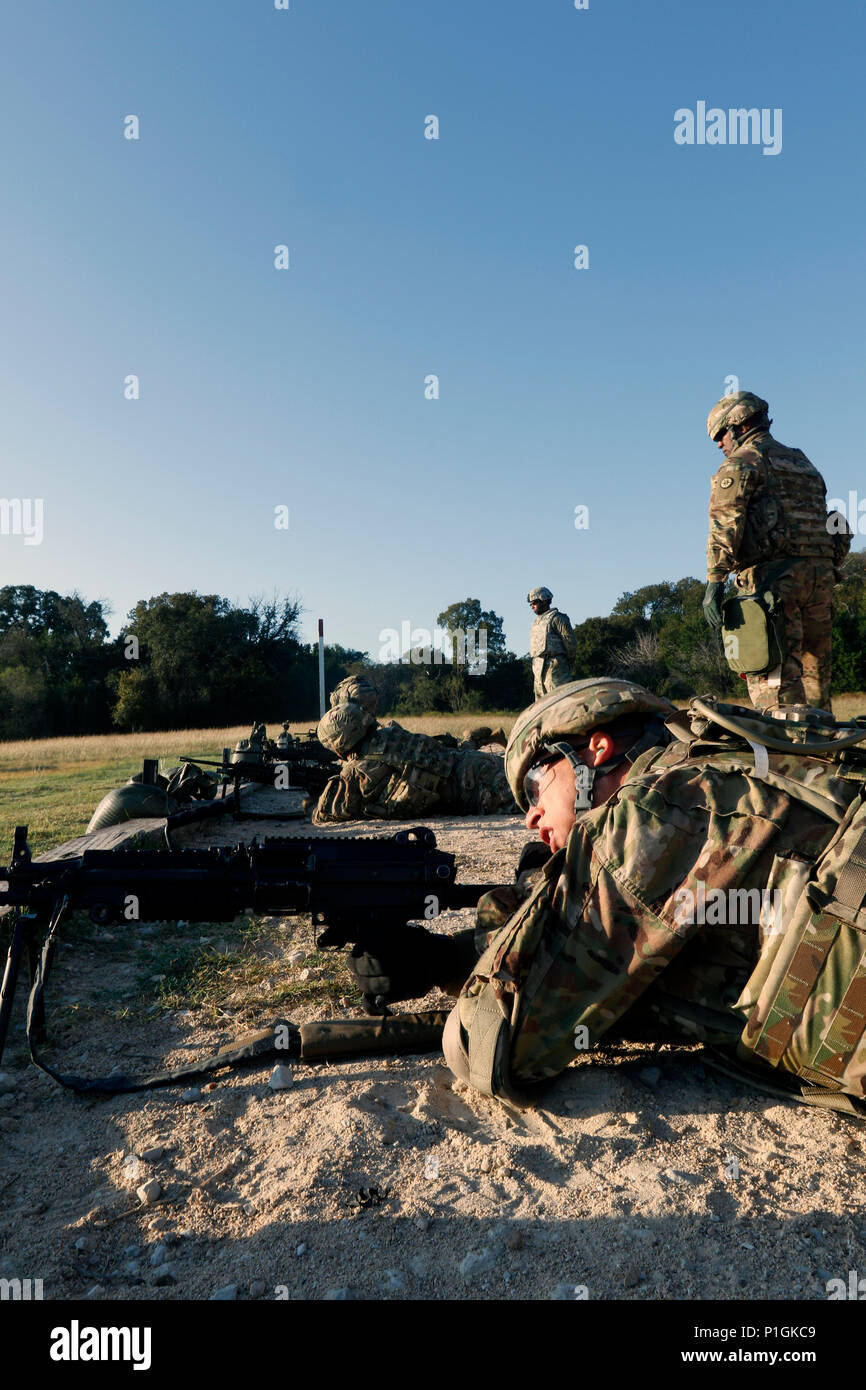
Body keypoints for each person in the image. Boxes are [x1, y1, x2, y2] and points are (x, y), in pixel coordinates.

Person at [345, 678, 866, 1110]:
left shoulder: (651, 813)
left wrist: (441, 959)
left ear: (595, 749)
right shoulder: (721, 771)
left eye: (534, 786)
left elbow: (493, 1049)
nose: (529, 817)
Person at [702, 391, 848, 712]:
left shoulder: (742, 462)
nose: (718, 444)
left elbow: (726, 523)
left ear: (738, 427)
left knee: (775, 677)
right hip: (820, 579)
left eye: (720, 435)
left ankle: (786, 754)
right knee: (815, 676)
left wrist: (715, 581)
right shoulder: (801, 462)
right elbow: (833, 520)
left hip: (773, 581)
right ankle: (822, 751)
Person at [312, 701, 518, 823]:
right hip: (475, 763)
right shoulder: (391, 733)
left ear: (338, 746)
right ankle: (472, 741)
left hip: (481, 794)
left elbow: (321, 816)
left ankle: (473, 741)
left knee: (535, 796)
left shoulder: (358, 773)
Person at [527, 586, 577, 699]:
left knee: (559, 700)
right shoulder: (536, 622)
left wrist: (567, 663)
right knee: (541, 707)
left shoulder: (557, 618)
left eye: (534, 602)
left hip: (555, 668)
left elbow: (571, 643)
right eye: (530, 604)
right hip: (538, 669)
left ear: (544, 600)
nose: (532, 606)